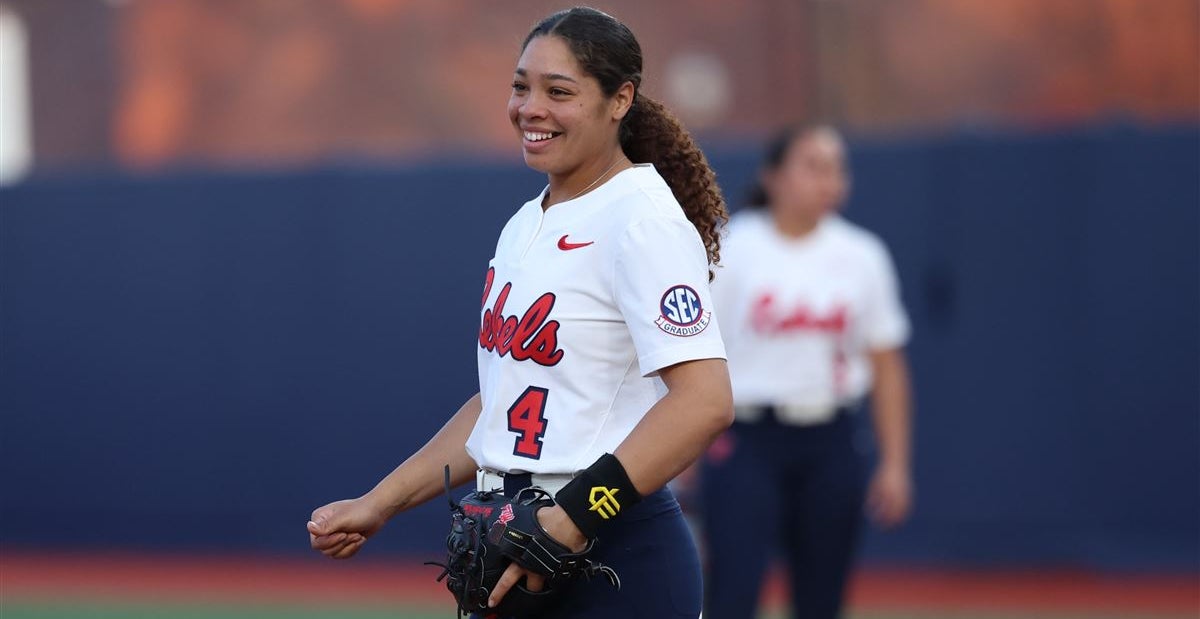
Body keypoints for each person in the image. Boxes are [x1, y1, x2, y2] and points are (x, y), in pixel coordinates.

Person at [307, 7, 733, 619]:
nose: (530, 107)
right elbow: (499, 405)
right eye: (520, 86)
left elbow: (704, 401)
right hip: (516, 536)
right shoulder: (526, 222)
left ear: (620, 100)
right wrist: (382, 501)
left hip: (617, 551)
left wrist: (577, 515)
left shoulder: (641, 221)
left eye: (559, 91)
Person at [698, 124, 914, 619]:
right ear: (773, 176)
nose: (829, 180)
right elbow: (696, 354)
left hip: (830, 440)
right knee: (732, 589)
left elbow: (887, 365)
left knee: (822, 597)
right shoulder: (731, 248)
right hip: (746, 438)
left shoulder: (862, 256)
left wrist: (896, 464)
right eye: (813, 166)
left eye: (837, 168)